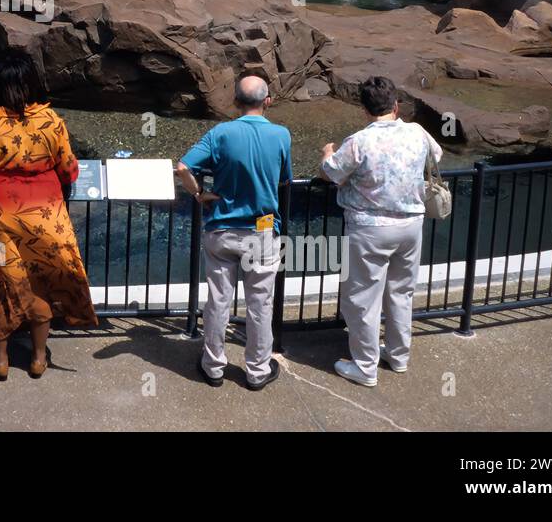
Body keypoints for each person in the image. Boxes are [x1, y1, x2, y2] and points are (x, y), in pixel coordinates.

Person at [0, 53, 97, 380]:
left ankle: (2, 360)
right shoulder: (51, 121)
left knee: (3, 281)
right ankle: (37, 358)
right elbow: (69, 170)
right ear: (33, 83)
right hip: (45, 217)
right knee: (42, 283)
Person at [319, 76, 441, 387]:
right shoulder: (416, 132)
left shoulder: (360, 141)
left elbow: (332, 173)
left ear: (364, 109)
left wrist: (326, 153)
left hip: (370, 228)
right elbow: (436, 156)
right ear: (396, 105)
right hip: (412, 224)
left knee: (363, 298)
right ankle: (398, 355)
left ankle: (365, 366)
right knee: (402, 291)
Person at [175, 75, 291, 390]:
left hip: (222, 230)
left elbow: (183, 167)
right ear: (267, 101)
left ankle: (213, 367)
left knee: (218, 302)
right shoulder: (281, 135)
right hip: (262, 232)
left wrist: (199, 194)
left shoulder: (220, 133)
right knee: (260, 304)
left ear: (236, 102)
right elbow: (284, 179)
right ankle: (257, 371)